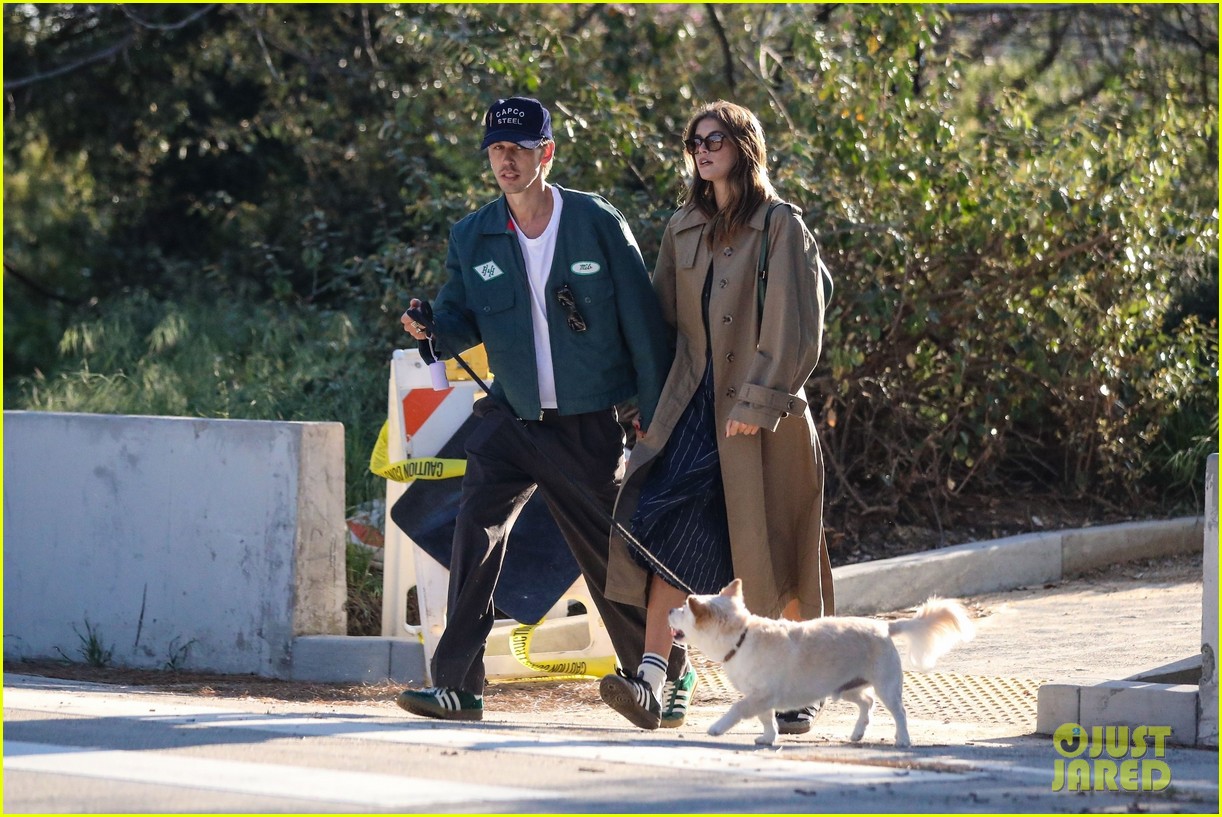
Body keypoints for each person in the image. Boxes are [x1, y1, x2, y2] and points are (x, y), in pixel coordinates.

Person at [394, 96, 689, 722]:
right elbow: (457, 315)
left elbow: (642, 322)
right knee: (474, 531)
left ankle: (664, 675)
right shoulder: (472, 235)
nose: (506, 160)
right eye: (497, 150)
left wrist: (654, 412)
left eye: (519, 149)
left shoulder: (594, 222)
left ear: (546, 153)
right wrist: (429, 324)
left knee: (607, 551)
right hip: (511, 415)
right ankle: (458, 685)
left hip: (588, 421)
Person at [600, 100, 835, 734]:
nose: (703, 148)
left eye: (716, 138)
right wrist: (640, 410)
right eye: (695, 140)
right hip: (692, 412)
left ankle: (796, 686)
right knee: (666, 532)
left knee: (779, 549)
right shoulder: (681, 227)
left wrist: (758, 402)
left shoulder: (783, 226)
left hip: (765, 416)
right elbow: (659, 331)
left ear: (743, 145)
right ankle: (650, 680)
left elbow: (798, 326)